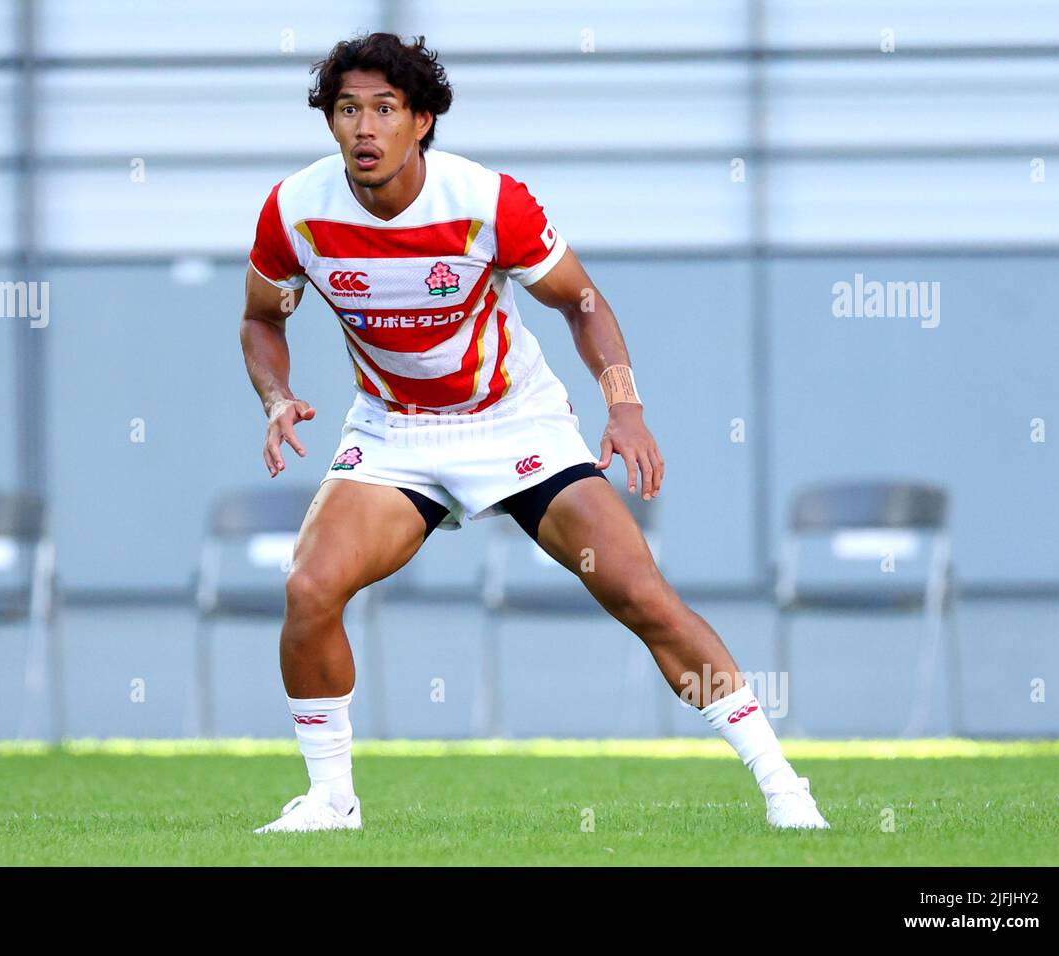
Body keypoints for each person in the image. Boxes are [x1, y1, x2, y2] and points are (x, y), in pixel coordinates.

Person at [240, 32, 829, 833]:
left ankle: (783, 785)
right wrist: (275, 395)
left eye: (385, 108)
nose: (364, 128)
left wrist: (624, 407)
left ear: (422, 121)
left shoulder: (486, 201)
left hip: (513, 424)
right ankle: (331, 800)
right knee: (309, 589)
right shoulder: (296, 209)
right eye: (348, 110)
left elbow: (581, 301)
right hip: (394, 433)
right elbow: (260, 319)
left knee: (639, 593)